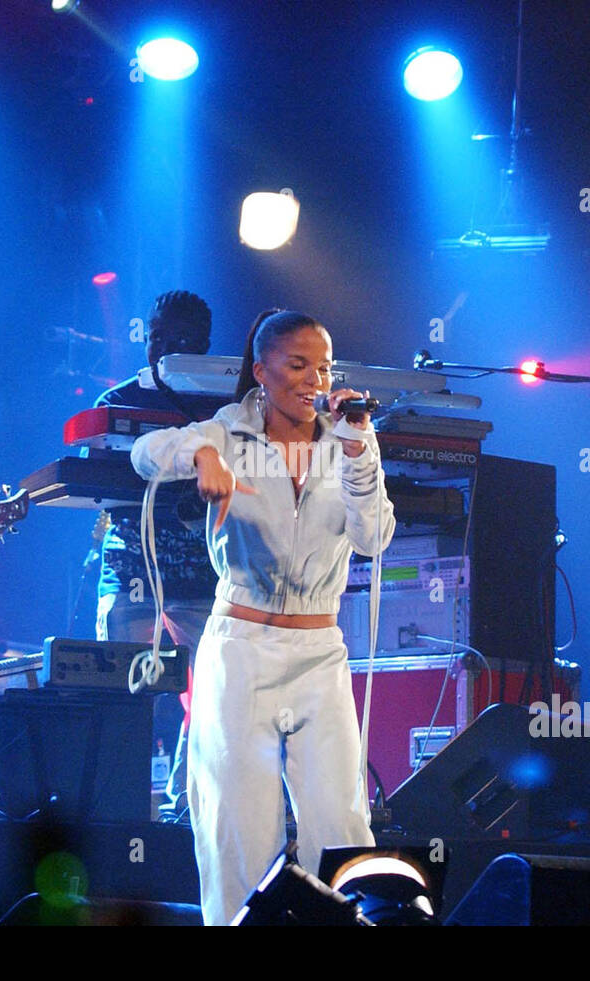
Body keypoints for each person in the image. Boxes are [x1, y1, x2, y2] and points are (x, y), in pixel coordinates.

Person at [131, 309, 396, 925]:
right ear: (262, 371)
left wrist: (358, 453)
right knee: (237, 825)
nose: (313, 379)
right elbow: (146, 453)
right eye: (298, 364)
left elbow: (374, 537)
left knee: (341, 823)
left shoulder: (347, 439)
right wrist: (201, 455)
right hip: (243, 645)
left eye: (324, 367)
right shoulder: (228, 432)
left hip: (319, 652)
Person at [94, 291, 227, 817]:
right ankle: (118, 812)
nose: (163, 347)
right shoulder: (119, 400)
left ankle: (185, 809)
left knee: (213, 696)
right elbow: (100, 478)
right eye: (155, 336)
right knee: (126, 689)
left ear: (204, 344)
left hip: (203, 576)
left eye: (179, 339)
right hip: (133, 567)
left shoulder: (226, 406)